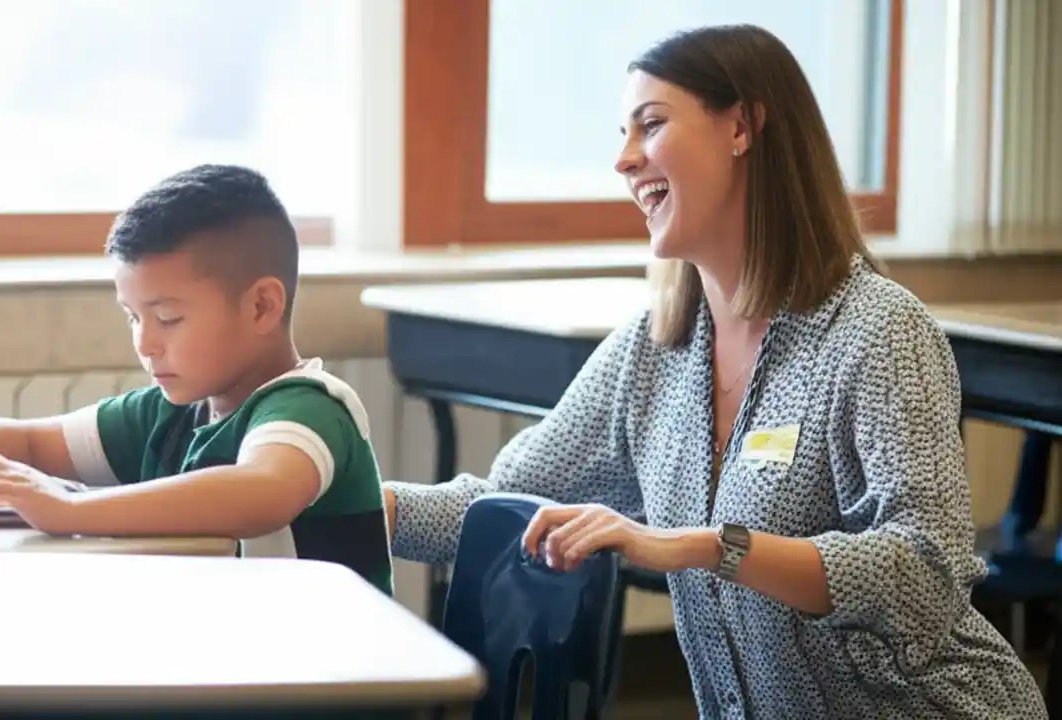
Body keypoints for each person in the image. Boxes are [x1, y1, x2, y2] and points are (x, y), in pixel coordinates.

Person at [384, 25, 1044, 718]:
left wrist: (707, 547)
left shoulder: (878, 331)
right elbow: (502, 507)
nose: (624, 160)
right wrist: (346, 497)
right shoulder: (652, 351)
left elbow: (926, 574)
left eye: (652, 124)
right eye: (622, 132)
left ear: (743, 126)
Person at [0, 164, 394, 596]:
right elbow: (30, 441)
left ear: (262, 306)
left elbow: (262, 490)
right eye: (133, 317)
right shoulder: (169, 413)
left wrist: (70, 512)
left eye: (168, 318)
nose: (145, 343)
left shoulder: (308, 409)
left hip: (320, 687)